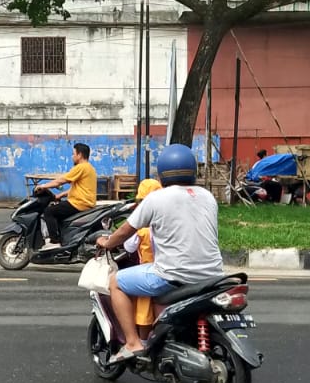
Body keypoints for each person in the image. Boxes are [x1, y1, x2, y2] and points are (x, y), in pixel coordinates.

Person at [94, 144, 222, 363]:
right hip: (214, 276)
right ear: (193, 171)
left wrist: (107, 242)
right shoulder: (208, 197)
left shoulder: (156, 199)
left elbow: (126, 231)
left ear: (162, 174)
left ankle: (133, 343)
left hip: (172, 275)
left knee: (115, 281)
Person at [36, 142, 97, 248]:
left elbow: (62, 180)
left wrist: (44, 186)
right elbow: (78, 188)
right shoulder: (90, 168)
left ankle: (54, 242)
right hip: (84, 202)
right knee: (57, 211)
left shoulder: (81, 167)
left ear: (80, 155)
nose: (72, 156)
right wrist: (60, 195)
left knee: (49, 212)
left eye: (73, 154)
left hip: (79, 203)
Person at [124, 177, 163, 338]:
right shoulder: (165, 222)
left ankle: (140, 341)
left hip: (148, 271)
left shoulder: (142, 228)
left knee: (143, 309)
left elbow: (128, 246)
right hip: (171, 270)